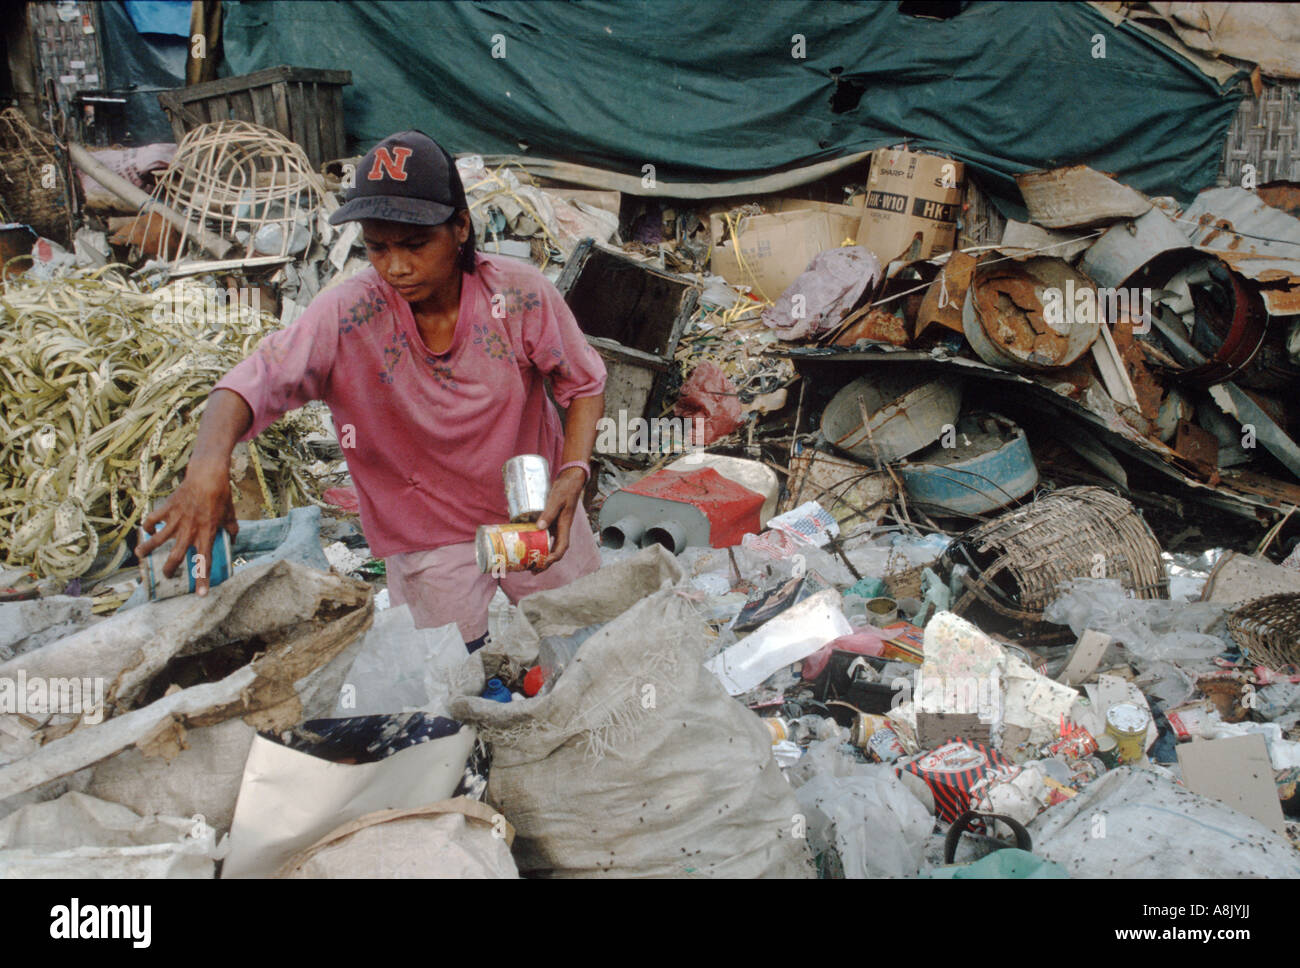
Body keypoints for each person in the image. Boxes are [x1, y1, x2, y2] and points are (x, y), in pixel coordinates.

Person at [136, 130, 607, 651]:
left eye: (414, 245)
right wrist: (207, 470)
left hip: (533, 511)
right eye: (377, 247)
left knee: (584, 644)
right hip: (427, 534)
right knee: (446, 680)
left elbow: (583, 383)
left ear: (460, 228)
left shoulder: (516, 295)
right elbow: (250, 383)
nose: (396, 267)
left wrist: (573, 473)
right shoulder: (348, 315)